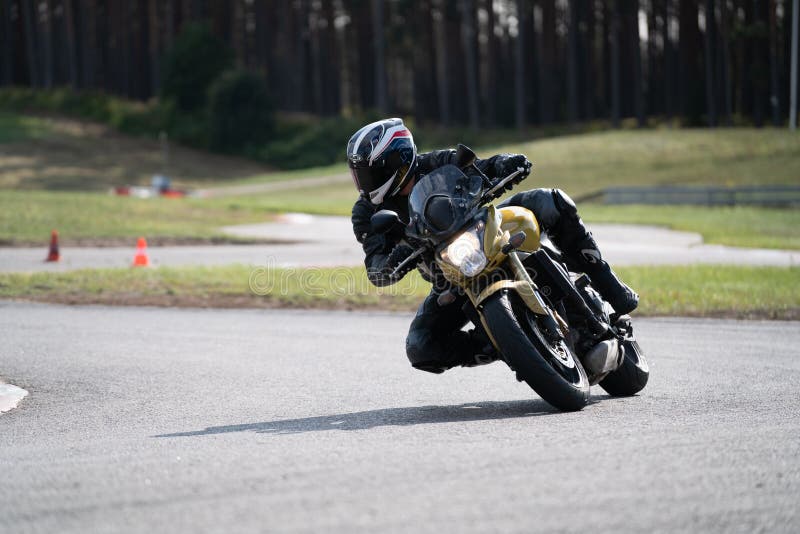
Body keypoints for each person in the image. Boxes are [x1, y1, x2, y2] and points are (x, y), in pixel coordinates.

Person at [348, 118, 638, 374]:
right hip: (449, 277)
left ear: (396, 161)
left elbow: (482, 168)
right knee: (421, 346)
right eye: (358, 173)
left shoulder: (437, 163)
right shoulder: (366, 213)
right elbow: (375, 266)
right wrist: (393, 260)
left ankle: (610, 286)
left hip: (487, 233)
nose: (362, 183)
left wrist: (506, 163)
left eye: (368, 173)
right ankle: (501, 343)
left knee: (550, 201)